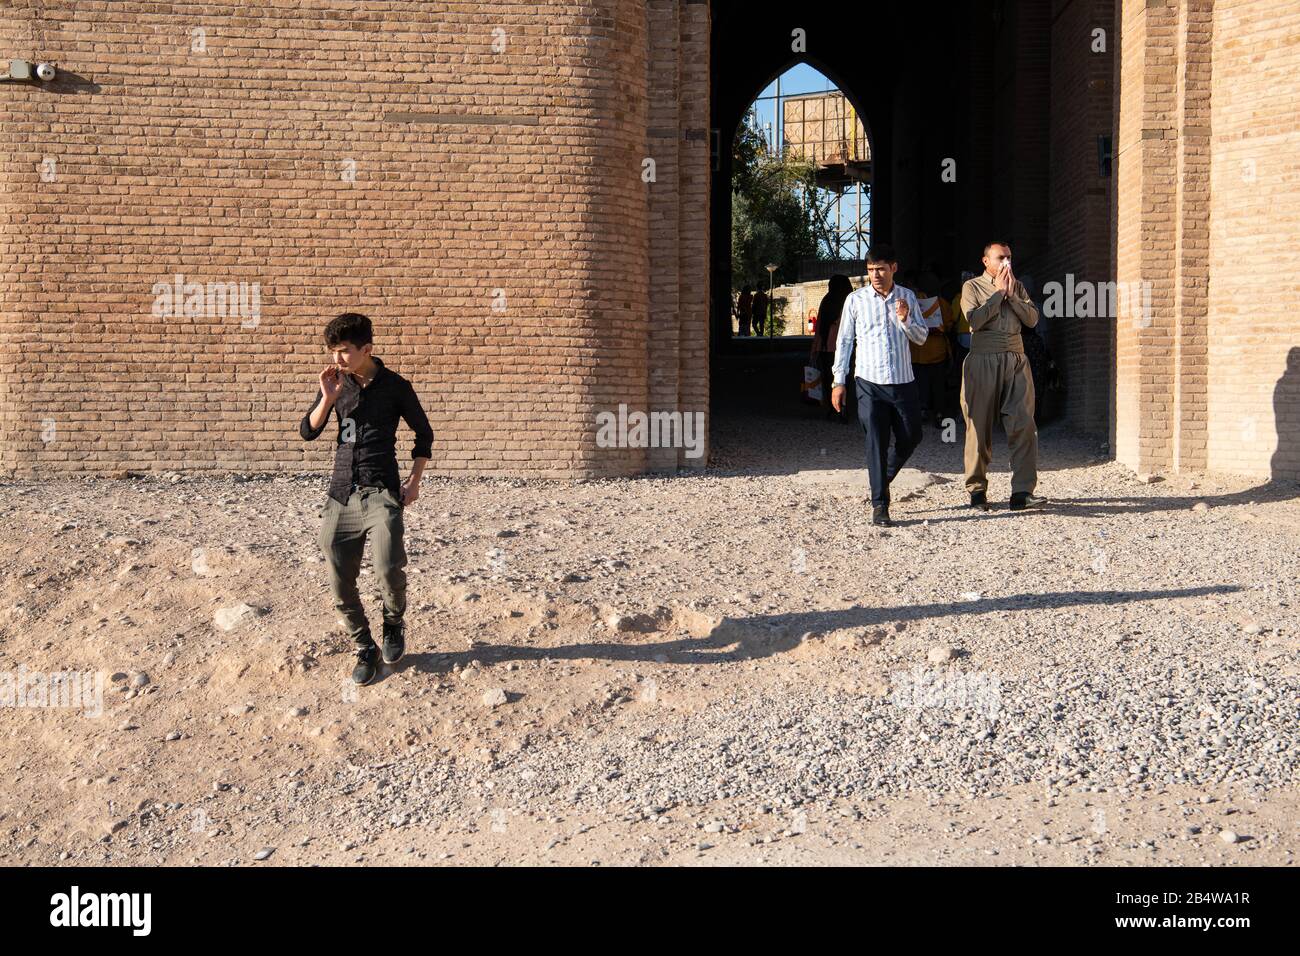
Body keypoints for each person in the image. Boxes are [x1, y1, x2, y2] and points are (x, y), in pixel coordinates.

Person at [300, 312, 434, 685]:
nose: (337, 359)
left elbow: (424, 435)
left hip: (381, 490)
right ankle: (365, 646)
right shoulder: (336, 383)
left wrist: (414, 481)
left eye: (344, 352)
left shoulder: (396, 386)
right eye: (333, 352)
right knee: (339, 580)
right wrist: (327, 399)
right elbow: (308, 432)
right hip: (341, 493)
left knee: (388, 567)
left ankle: (393, 623)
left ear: (367, 349)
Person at [830, 245, 929, 527]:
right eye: (871, 270)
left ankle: (881, 477)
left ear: (893, 268)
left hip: (902, 382)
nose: (875, 275)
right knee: (876, 439)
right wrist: (839, 381)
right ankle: (880, 504)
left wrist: (905, 319)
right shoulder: (855, 300)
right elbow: (845, 342)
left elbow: (921, 337)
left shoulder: (907, 297)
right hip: (868, 382)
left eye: (881, 269)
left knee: (912, 436)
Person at [959, 243, 1045, 511]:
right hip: (983, 359)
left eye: (1009, 257)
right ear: (986, 261)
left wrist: (1012, 295)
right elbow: (975, 320)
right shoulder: (972, 287)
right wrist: (998, 294)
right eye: (1001, 258)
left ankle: (1022, 492)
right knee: (979, 426)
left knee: (1024, 424)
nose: (1007, 262)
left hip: (1016, 359)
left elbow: (1032, 320)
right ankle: (977, 491)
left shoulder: (1017, 286)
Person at [908, 271, 954, 427]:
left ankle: (922, 411)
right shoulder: (941, 302)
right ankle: (939, 413)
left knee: (920, 384)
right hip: (936, 353)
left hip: (918, 352)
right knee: (938, 385)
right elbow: (949, 324)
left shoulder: (912, 300)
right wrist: (940, 329)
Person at [809, 274, 853, 421]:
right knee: (846, 380)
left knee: (829, 380)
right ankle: (845, 408)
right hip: (845, 349)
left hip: (825, 348)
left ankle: (833, 407)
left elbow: (820, 325)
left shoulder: (826, 300)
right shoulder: (849, 301)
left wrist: (815, 348)